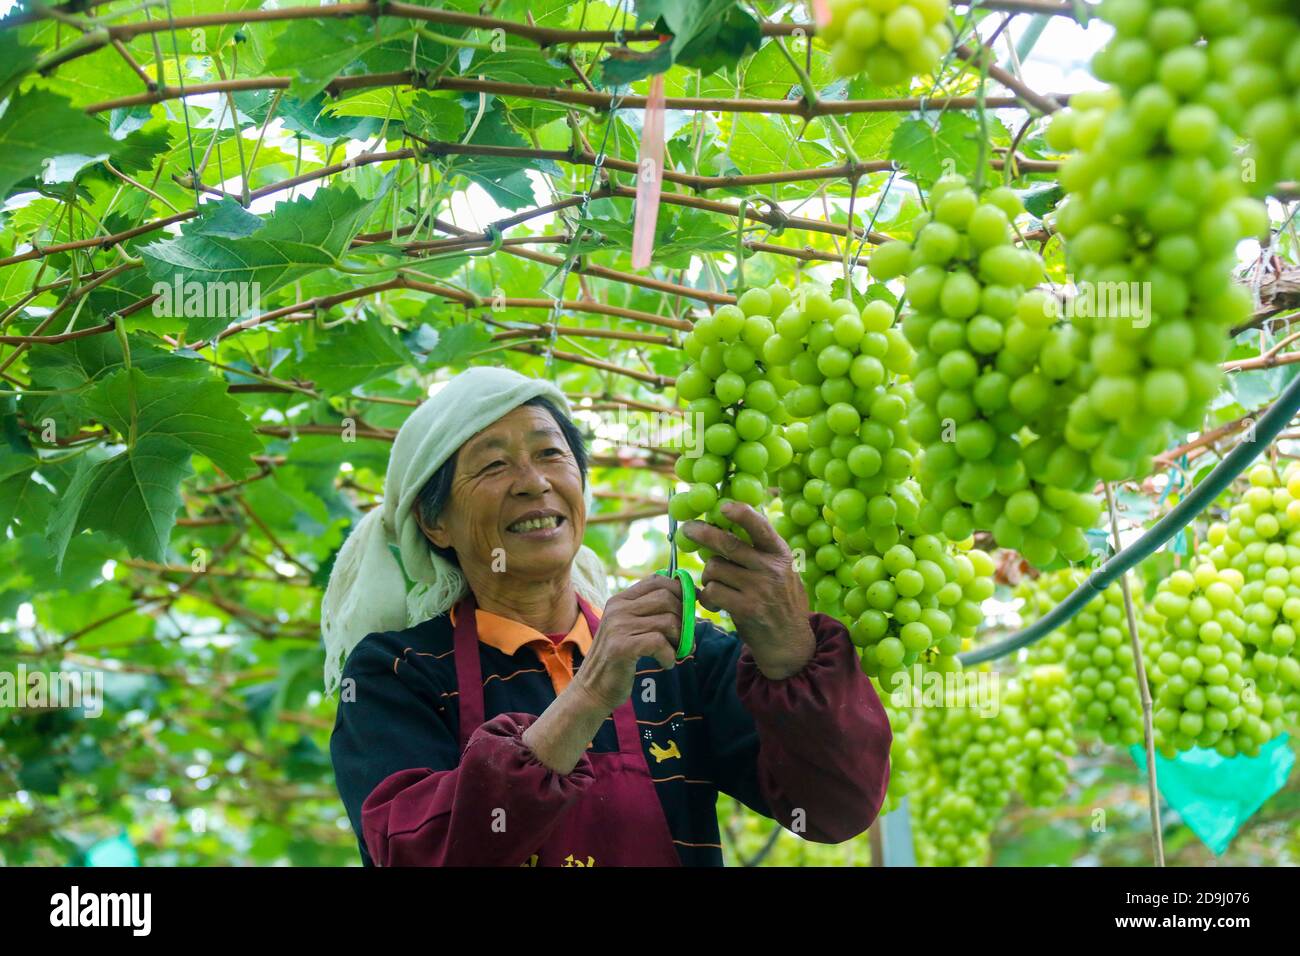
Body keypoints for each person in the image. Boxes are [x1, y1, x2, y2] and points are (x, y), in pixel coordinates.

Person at [324, 367, 891, 866]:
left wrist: (790, 650)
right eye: (494, 464)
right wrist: (591, 693)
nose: (535, 482)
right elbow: (415, 852)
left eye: (551, 454)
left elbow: (833, 811)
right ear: (434, 522)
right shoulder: (394, 675)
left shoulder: (679, 654)